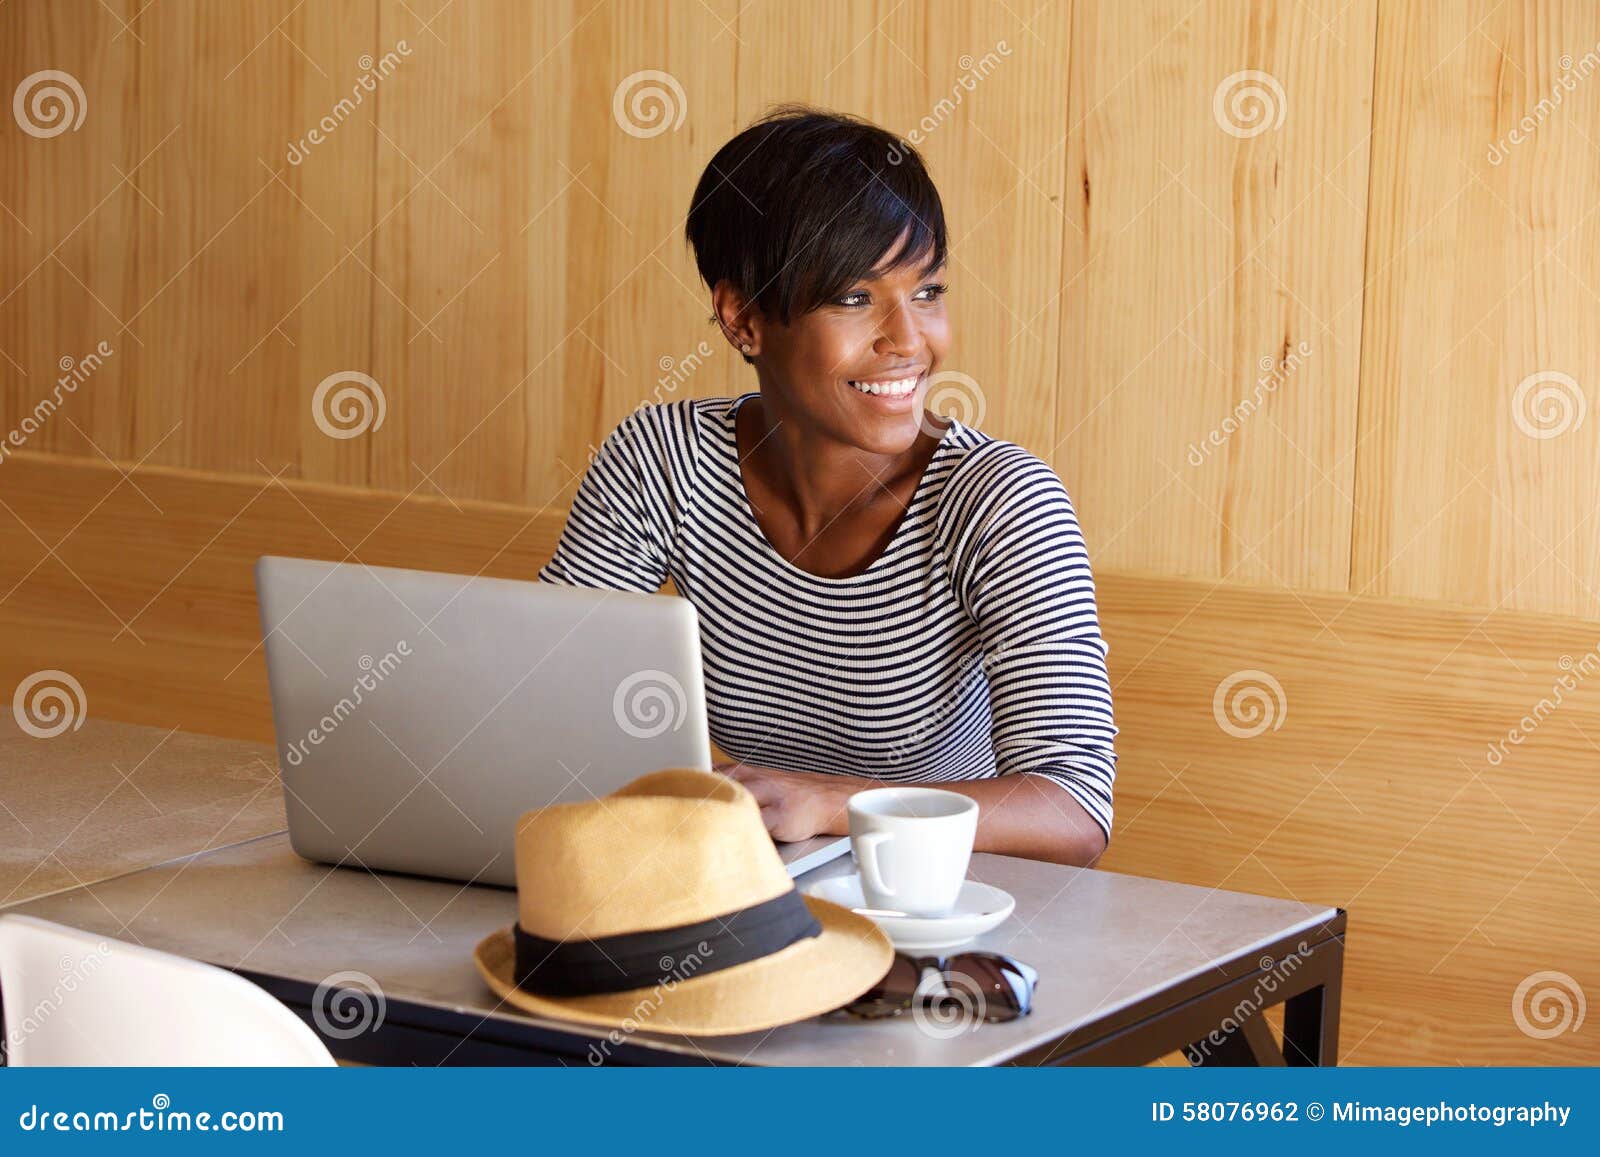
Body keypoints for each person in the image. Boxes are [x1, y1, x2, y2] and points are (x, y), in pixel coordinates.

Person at [539, 105, 1118, 867]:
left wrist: (827, 801)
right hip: (759, 900)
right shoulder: (663, 461)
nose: (910, 341)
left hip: (947, 918)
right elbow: (539, 695)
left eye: (929, 291)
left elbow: (1074, 806)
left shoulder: (999, 499)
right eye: (854, 298)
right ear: (742, 317)